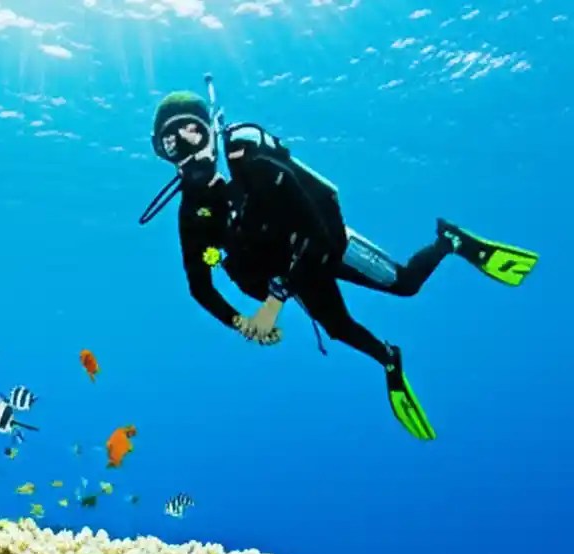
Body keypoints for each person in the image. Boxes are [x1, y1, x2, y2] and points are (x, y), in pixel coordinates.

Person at [141, 83, 540, 440]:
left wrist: (273, 303)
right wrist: (241, 322)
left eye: (191, 131)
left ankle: (450, 241)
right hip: (293, 275)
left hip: (328, 243)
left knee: (405, 285)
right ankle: (389, 359)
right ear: (164, 154)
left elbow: (314, 228)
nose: (186, 148)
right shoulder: (193, 212)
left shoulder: (251, 162)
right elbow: (199, 286)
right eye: (172, 143)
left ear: (210, 129)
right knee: (337, 330)